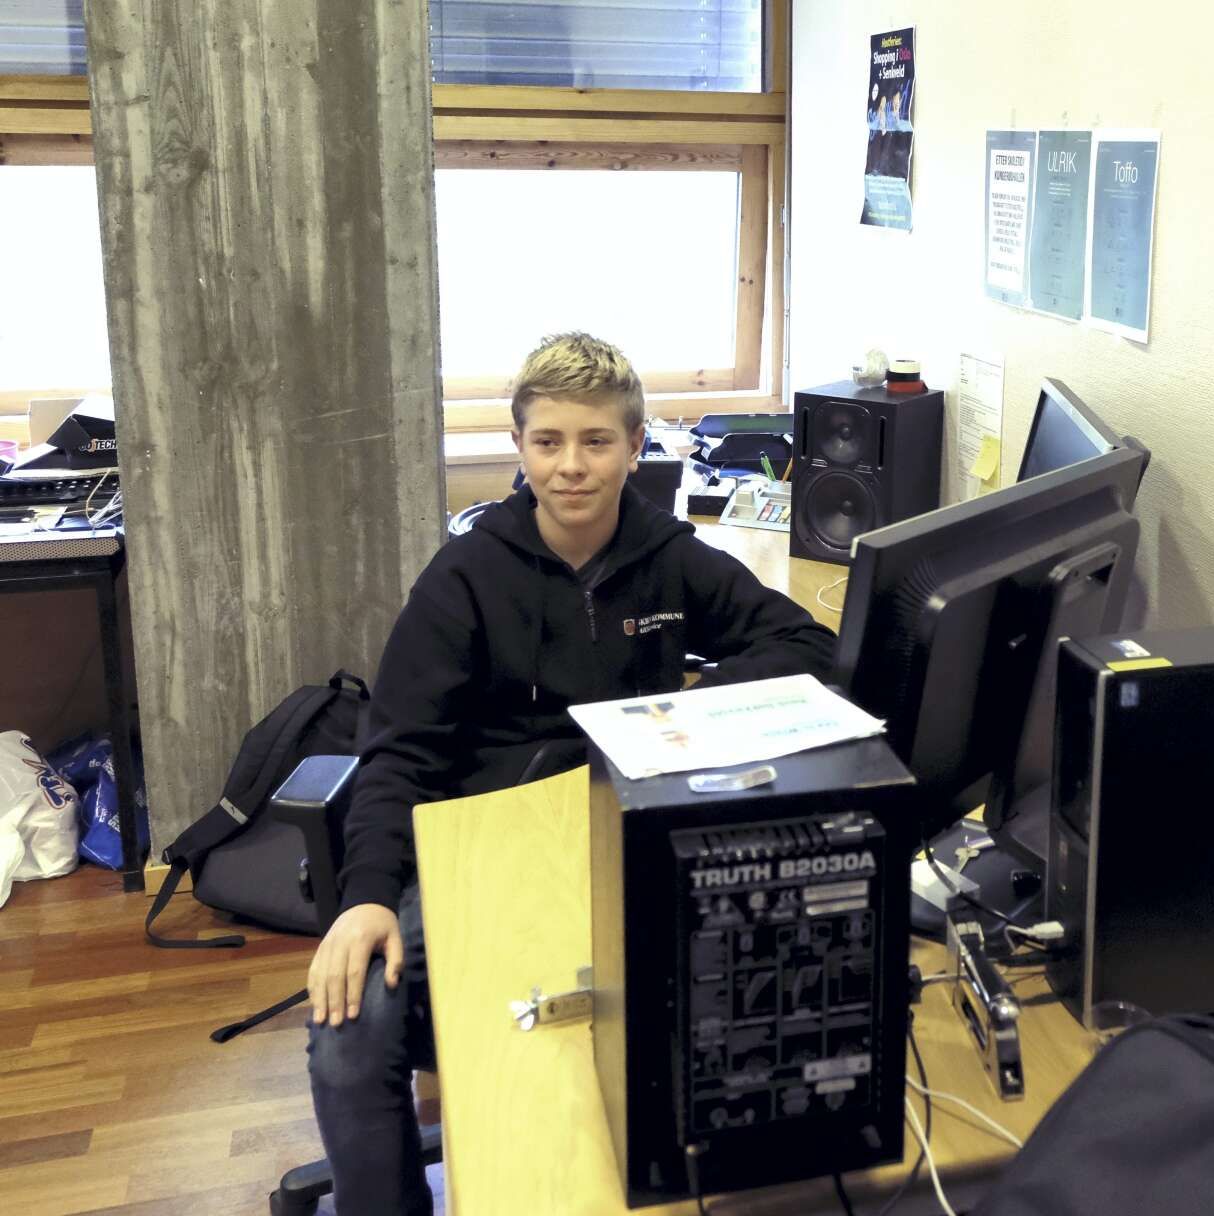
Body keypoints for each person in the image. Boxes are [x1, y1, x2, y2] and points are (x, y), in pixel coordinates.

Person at [305, 332, 835, 1215]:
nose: (571, 467)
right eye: (547, 442)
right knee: (348, 1036)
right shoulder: (466, 576)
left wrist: (678, 710)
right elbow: (398, 751)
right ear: (519, 449)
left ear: (635, 447)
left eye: (595, 442)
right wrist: (364, 895)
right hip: (484, 838)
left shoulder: (670, 556)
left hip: (619, 828)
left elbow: (803, 645)